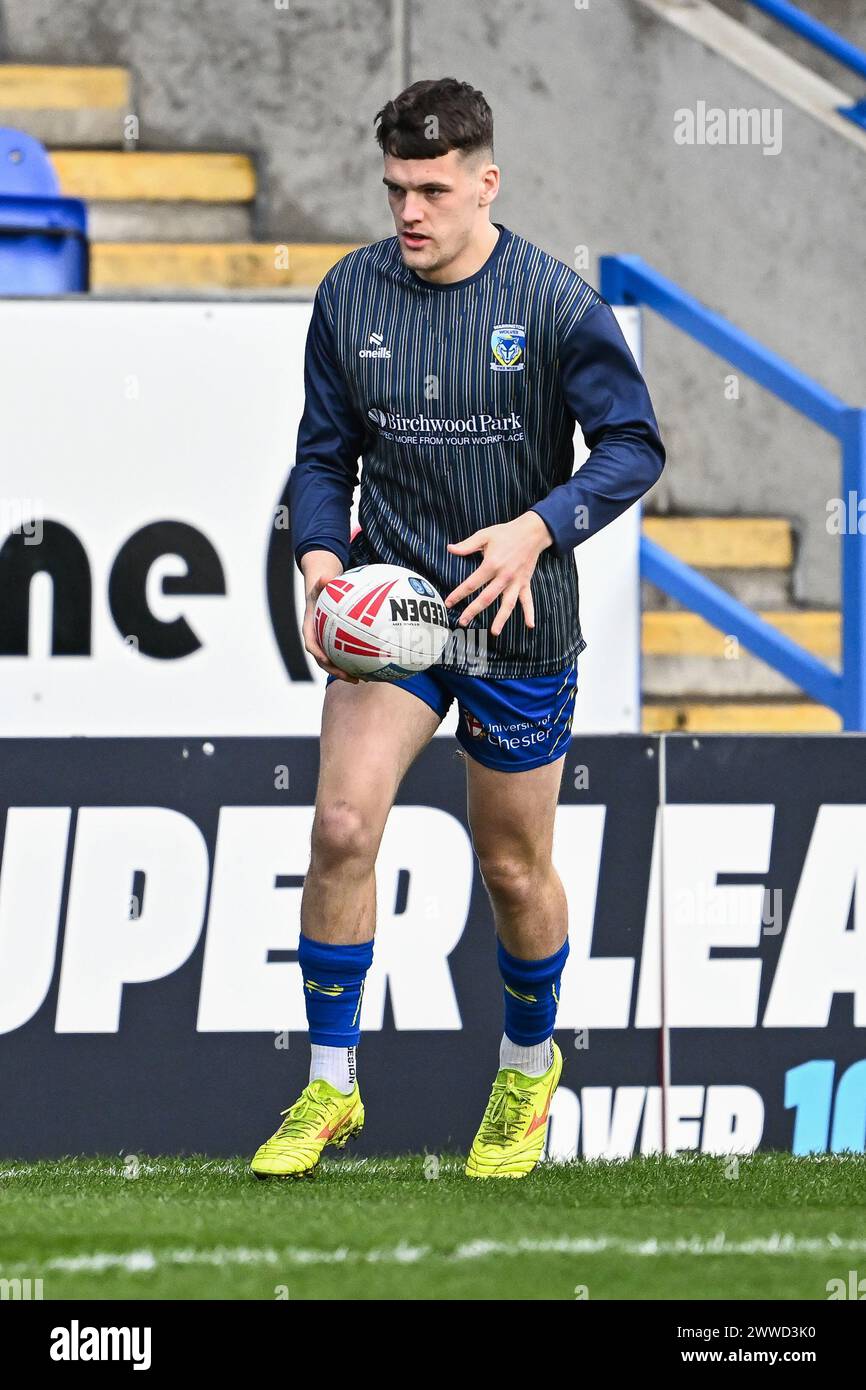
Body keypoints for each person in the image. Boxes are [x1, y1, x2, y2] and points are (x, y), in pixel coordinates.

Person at [251, 76, 664, 1180]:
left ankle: (526, 1073)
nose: (410, 213)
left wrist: (539, 526)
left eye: (433, 189)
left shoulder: (556, 304)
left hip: (517, 621)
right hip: (399, 614)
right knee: (340, 826)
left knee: (513, 869)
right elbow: (321, 455)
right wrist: (323, 561)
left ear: (487, 181)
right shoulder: (348, 296)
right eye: (394, 189)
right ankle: (329, 1090)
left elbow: (633, 447)